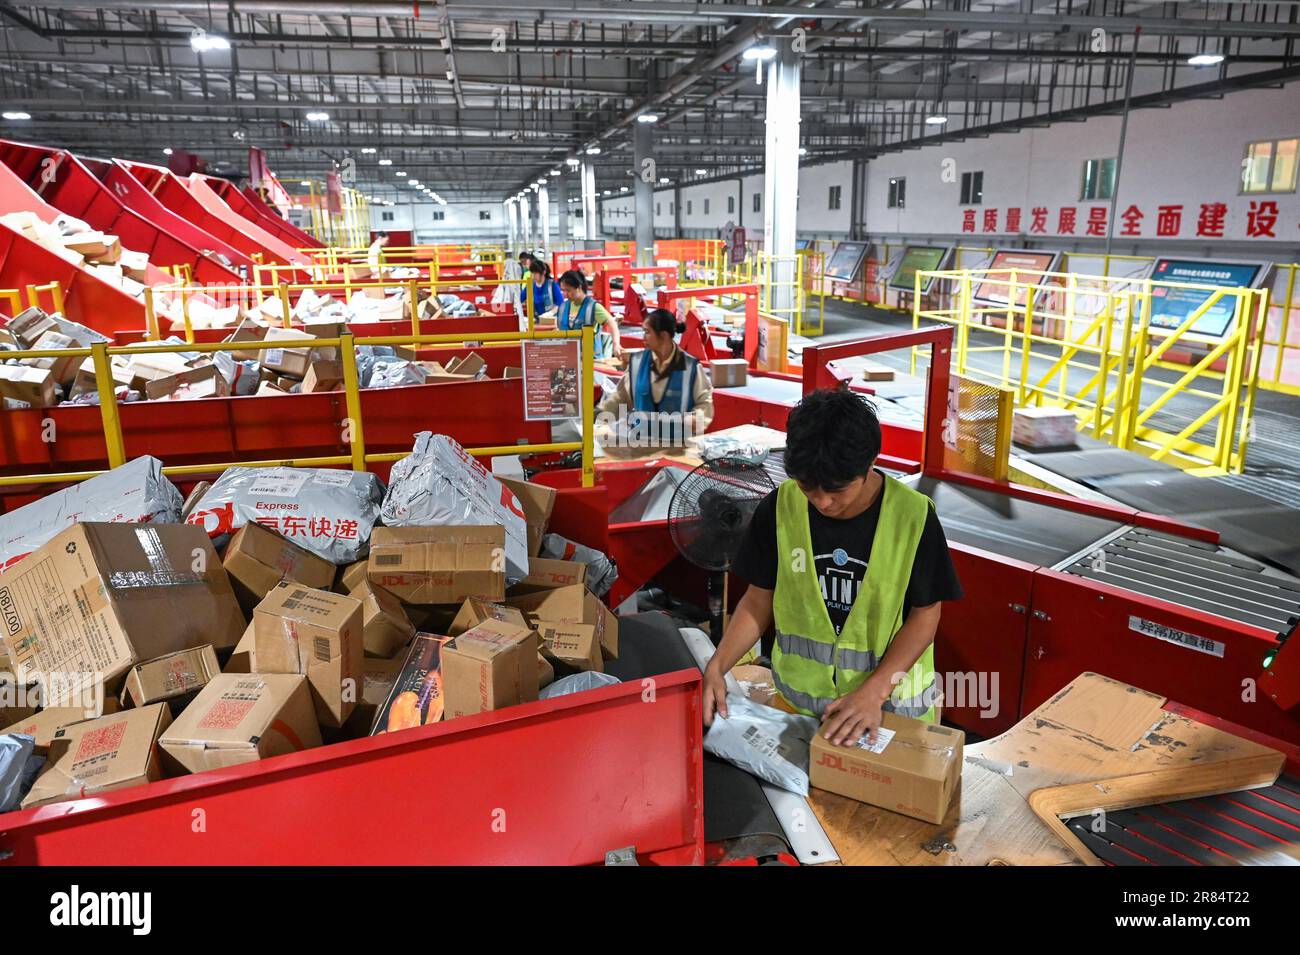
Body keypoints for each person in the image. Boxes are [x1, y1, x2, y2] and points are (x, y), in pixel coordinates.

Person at [702, 387, 962, 746]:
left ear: (869, 464)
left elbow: (926, 615)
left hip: (888, 714)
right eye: (809, 487)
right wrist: (718, 664)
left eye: (837, 490)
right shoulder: (780, 508)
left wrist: (873, 692)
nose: (823, 502)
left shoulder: (913, 518)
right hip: (800, 711)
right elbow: (758, 599)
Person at [598, 307, 714, 438]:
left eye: (647, 332)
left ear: (663, 335)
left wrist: (696, 419)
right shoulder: (637, 363)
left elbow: (704, 402)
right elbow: (620, 398)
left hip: (677, 446)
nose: (643, 337)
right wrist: (600, 417)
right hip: (640, 443)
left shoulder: (690, 367)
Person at [555, 269, 624, 362]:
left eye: (568, 290)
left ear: (579, 287)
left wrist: (616, 344)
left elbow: (612, 323)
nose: (564, 294)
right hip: (569, 359)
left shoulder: (593, 307)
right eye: (562, 290)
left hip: (592, 361)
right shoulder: (563, 307)